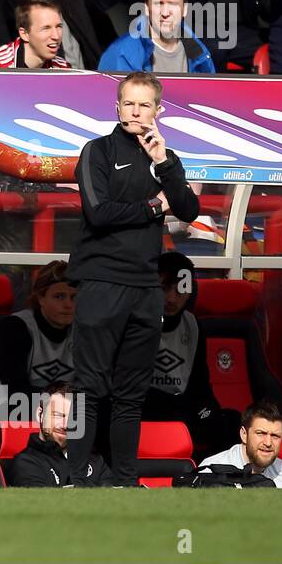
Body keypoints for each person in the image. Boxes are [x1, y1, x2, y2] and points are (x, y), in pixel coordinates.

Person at [64, 71, 201, 486]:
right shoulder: (98, 151)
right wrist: (154, 207)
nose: (136, 111)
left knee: (130, 394)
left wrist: (163, 163)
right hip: (101, 282)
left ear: (158, 111)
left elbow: (189, 209)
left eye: (144, 105)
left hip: (145, 289)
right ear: (117, 107)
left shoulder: (165, 158)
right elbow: (99, 212)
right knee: (88, 388)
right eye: (129, 103)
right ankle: (75, 480)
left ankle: (125, 482)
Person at [143, 251, 238, 460]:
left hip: (183, 405)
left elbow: (200, 383)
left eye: (180, 290)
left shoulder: (193, 325)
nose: (171, 298)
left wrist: (209, 411)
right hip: (146, 407)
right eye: (164, 289)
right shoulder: (137, 323)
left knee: (231, 422)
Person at [0, 262, 75, 432]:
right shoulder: (15, 328)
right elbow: (17, 391)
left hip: (57, 414)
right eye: (59, 297)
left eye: (74, 297)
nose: (68, 304)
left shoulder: (82, 333)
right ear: (41, 298)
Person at [98, 0, 216, 73]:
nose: (165, 13)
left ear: (184, 10)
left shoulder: (199, 52)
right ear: (146, 8)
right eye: (158, 4)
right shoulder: (121, 53)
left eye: (173, 4)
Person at [9, 381, 114, 487]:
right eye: (58, 415)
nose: (65, 425)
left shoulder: (95, 459)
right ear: (40, 414)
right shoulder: (26, 463)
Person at [199, 400, 282, 486]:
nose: (268, 443)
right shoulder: (211, 471)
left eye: (275, 436)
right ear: (244, 435)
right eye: (260, 433)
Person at [0, 0, 72, 69]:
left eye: (58, 26)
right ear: (24, 34)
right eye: (46, 28)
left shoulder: (62, 69)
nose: (56, 36)